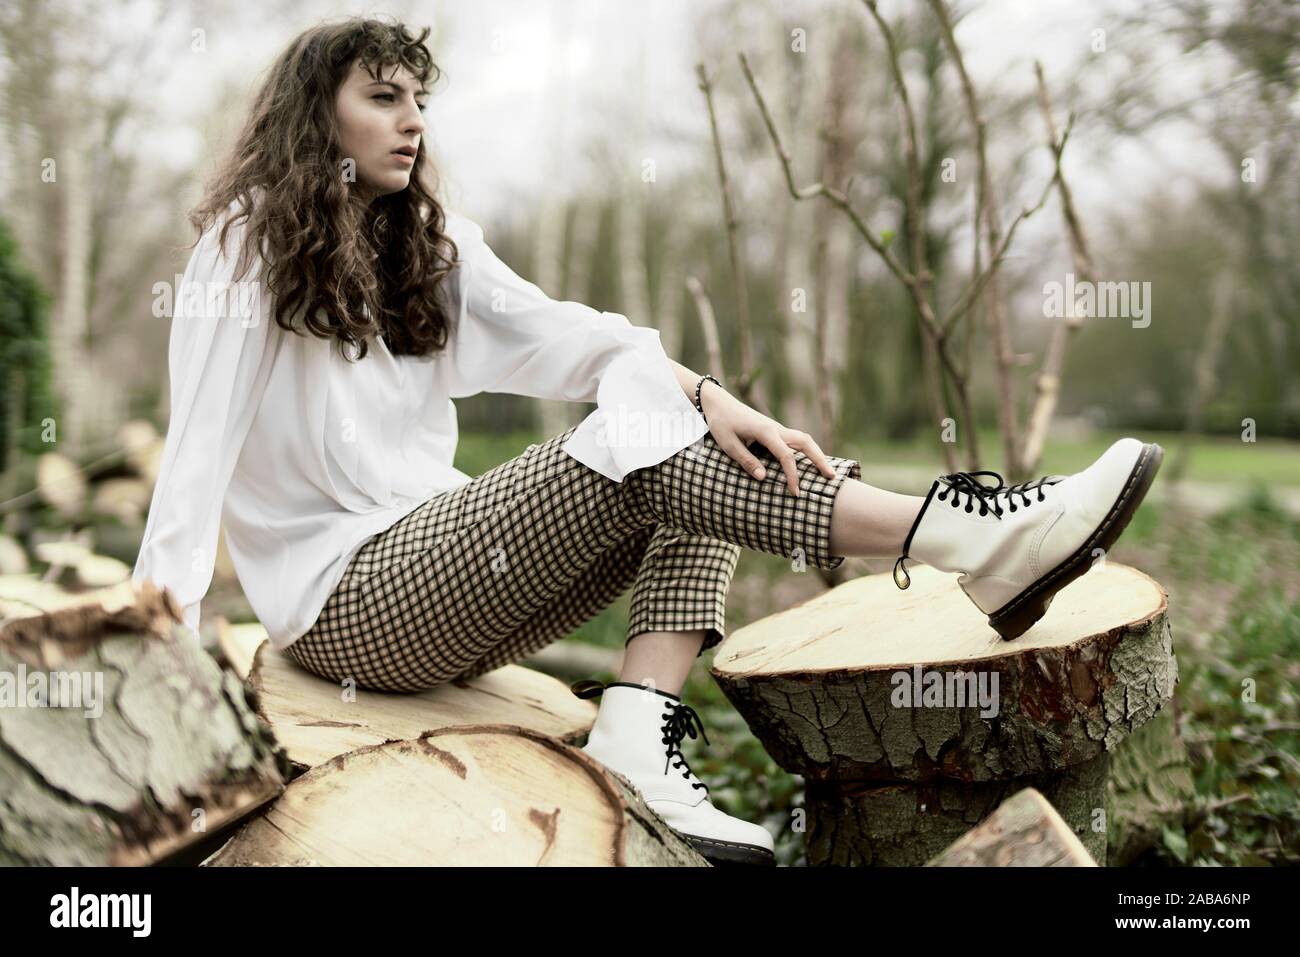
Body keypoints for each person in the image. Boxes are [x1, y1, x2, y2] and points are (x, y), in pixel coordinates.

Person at [132, 16, 1163, 867]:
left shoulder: (424, 244)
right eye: (382, 97)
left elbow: (580, 341)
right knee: (639, 444)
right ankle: (965, 537)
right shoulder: (247, 243)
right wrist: (155, 654)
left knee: (663, 423)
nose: (411, 122)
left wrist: (712, 393)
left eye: (419, 99)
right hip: (342, 604)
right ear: (318, 113)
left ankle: (638, 722)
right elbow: (195, 454)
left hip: (442, 582)